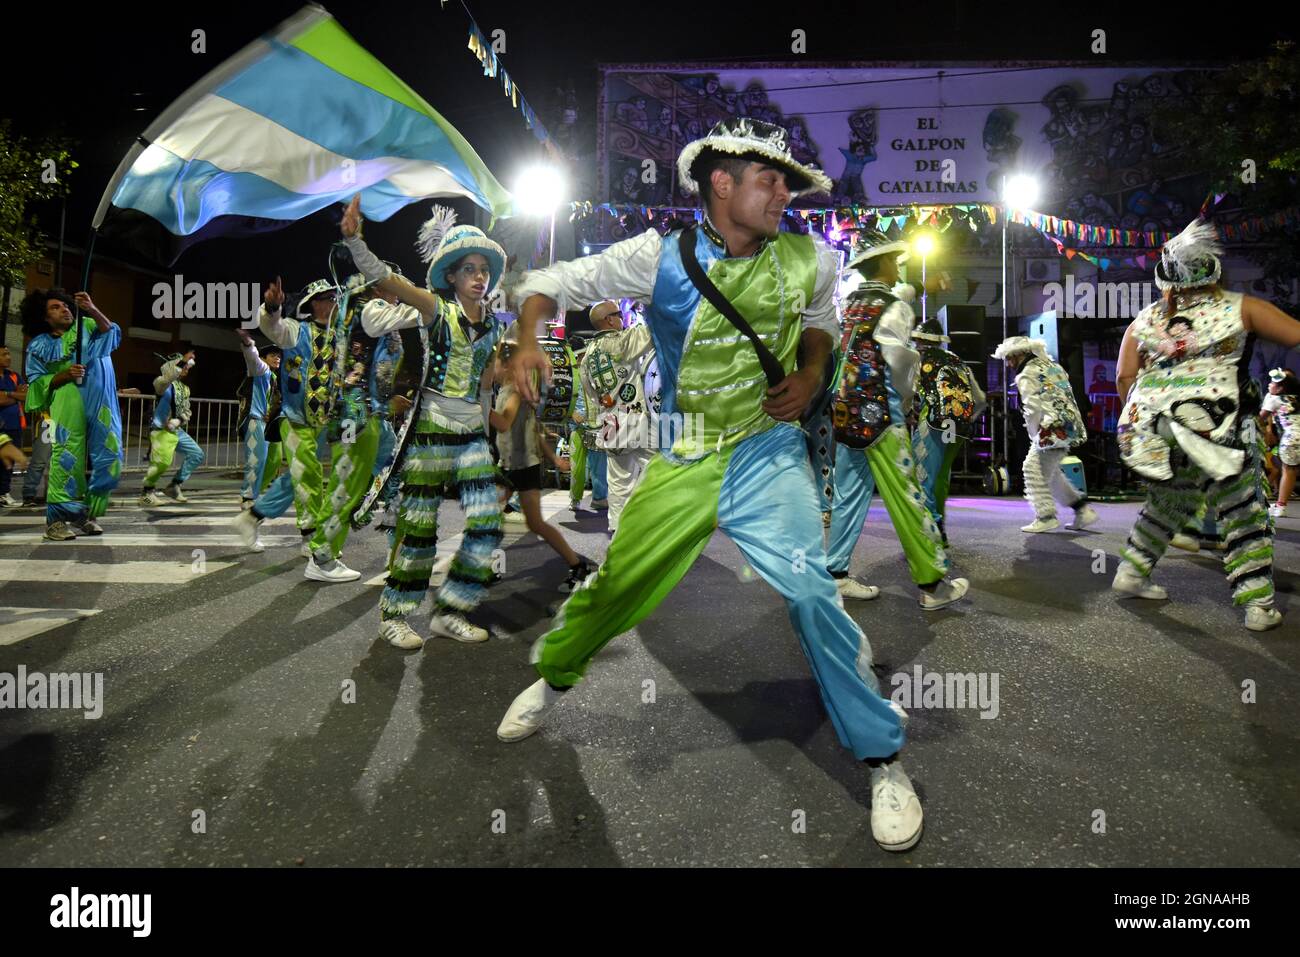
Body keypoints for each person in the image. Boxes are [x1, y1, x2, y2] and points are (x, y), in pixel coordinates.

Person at [494, 118, 922, 853]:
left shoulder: (810, 259)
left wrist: (812, 373)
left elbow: (821, 322)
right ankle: (554, 676)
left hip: (766, 450)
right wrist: (532, 338)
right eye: (770, 180)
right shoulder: (656, 256)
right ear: (721, 183)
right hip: (686, 453)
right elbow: (548, 282)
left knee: (813, 588)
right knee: (619, 580)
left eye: (786, 182)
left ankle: (883, 757)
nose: (785, 192)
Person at [1112, 219, 1300, 631]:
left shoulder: (1143, 321)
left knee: (1169, 500)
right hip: (1222, 427)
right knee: (1241, 509)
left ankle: (1132, 572)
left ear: (1167, 280)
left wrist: (1152, 415)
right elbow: (1293, 335)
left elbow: (1124, 378)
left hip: (1153, 427)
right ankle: (1257, 605)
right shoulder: (1240, 306)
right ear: (1212, 273)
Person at [340, 200, 507, 650]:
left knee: (488, 522)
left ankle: (452, 609)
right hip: (432, 426)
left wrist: (496, 427)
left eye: (483, 269)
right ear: (451, 276)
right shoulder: (436, 309)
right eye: (468, 269)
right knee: (419, 525)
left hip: (471, 430)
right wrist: (356, 241)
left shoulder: (494, 327)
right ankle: (395, 613)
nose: (478, 276)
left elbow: (487, 384)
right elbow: (386, 280)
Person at [827, 230, 971, 609]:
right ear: (886, 264)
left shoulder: (852, 303)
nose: (899, 266)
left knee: (848, 494)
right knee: (908, 496)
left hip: (845, 411)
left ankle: (836, 576)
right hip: (880, 413)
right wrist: (904, 401)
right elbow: (899, 360)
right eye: (895, 261)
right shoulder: (894, 306)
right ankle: (933, 585)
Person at [491, 329, 598, 590]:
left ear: (506, 365)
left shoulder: (515, 391)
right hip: (510, 463)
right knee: (490, 518)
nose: (490, 368)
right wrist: (554, 459)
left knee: (532, 522)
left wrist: (477, 408)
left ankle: (577, 565)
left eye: (493, 363)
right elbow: (535, 430)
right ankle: (491, 568)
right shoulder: (511, 389)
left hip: (522, 466)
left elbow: (504, 423)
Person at [21, 288, 124, 539]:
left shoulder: (87, 324)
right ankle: (56, 522)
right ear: (44, 318)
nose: (64, 309)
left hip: (102, 401)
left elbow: (110, 333)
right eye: (55, 308)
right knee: (67, 457)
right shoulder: (40, 345)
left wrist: (91, 308)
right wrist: (64, 375)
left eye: (65, 305)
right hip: (67, 401)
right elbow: (35, 383)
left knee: (111, 454)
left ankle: (82, 513)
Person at [993, 336, 1098, 533]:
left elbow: (1032, 409)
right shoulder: (1052, 366)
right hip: (1069, 424)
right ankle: (1082, 510)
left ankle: (1045, 516)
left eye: (1008, 358)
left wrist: (1035, 435)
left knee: (1031, 469)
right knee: (1051, 474)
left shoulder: (1025, 375)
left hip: (1050, 429)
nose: (1008, 364)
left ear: (1018, 355)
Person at [574, 299, 656, 532]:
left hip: (610, 421)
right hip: (635, 418)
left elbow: (590, 394)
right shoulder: (622, 341)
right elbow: (653, 331)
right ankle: (648, 524)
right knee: (657, 466)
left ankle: (618, 528)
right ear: (609, 320)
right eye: (619, 313)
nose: (623, 318)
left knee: (619, 480)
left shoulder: (587, 355)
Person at [910, 318, 987, 546]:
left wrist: (909, 412)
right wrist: (965, 418)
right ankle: (938, 531)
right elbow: (981, 399)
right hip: (957, 429)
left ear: (921, 340)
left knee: (922, 476)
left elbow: (907, 394)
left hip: (932, 425)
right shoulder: (957, 361)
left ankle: (931, 534)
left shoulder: (919, 360)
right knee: (940, 477)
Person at [139, 350, 204, 506]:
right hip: (160, 429)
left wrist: (179, 420)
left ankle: (175, 485)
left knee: (197, 454)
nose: (186, 368)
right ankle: (146, 493)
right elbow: (169, 377)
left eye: (188, 366)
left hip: (176, 430)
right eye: (183, 365)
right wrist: (182, 362)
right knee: (162, 463)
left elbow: (187, 410)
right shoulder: (161, 382)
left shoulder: (185, 389)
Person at [236, 329, 282, 519]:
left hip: (267, 424)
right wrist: (249, 344)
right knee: (257, 459)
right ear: (264, 358)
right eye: (273, 355)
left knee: (275, 459)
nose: (277, 358)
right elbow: (252, 358)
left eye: (278, 355)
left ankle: (256, 491)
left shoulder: (274, 377)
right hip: (254, 421)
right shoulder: (261, 370)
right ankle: (247, 497)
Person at [1262, 368, 1299, 517]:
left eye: (1273, 383)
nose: (1269, 385)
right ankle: (1279, 505)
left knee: (1288, 471)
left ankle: (1280, 506)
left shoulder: (1274, 399)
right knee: (1291, 472)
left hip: (1292, 438)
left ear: (1280, 388)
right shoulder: (1295, 399)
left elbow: (1261, 417)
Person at [0, 346, 27, 507]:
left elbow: (26, 396)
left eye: (9, 353)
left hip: (13, 425)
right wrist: (15, 395)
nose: (8, 357)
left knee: (8, 462)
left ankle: (4, 492)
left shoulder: (15, 376)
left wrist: (8, 394)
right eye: (4, 354)